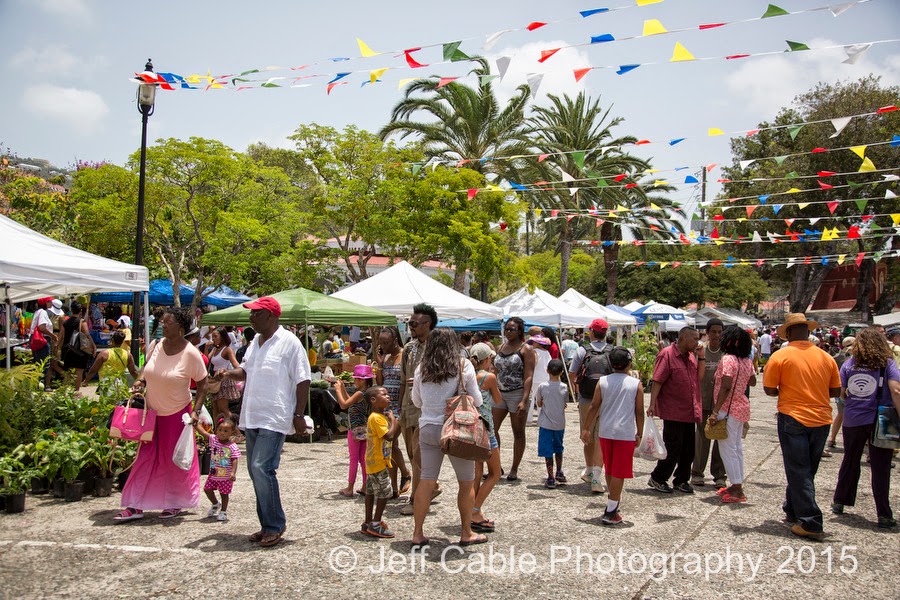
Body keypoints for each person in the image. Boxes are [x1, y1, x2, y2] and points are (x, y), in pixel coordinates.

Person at [216, 296, 311, 548]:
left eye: (255, 314)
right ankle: (266, 523)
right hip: (253, 414)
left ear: (271, 316)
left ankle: (274, 525)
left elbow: (303, 380)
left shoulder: (290, 343)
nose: (250, 318)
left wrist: (299, 415)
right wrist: (227, 372)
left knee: (262, 467)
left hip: (275, 415)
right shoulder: (255, 343)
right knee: (255, 472)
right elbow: (245, 371)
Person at [114, 307, 209, 522]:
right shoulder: (156, 345)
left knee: (174, 461)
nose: (163, 325)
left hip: (178, 414)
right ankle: (134, 505)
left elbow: (203, 384)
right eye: (163, 321)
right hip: (152, 413)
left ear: (181, 328)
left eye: (168, 322)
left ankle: (174, 502)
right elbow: (146, 369)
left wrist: (195, 412)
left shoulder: (191, 353)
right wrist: (140, 382)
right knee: (144, 459)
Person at [763, 313, 841, 541]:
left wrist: (788, 392)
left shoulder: (781, 356)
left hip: (793, 416)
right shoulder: (826, 357)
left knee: (798, 469)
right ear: (808, 331)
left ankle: (811, 521)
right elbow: (836, 391)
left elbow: (769, 389)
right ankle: (792, 508)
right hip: (821, 418)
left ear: (788, 333)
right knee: (807, 469)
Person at [410, 328, 485, 549]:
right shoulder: (464, 365)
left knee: (427, 480)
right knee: (466, 481)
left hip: (428, 428)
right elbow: (477, 400)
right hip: (457, 429)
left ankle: (418, 533)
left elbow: (416, 401)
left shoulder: (422, 368)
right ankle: (466, 532)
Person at [832, 327, 900, 529]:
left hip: (854, 418)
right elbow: (896, 389)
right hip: (882, 418)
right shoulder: (887, 364)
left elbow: (842, 393)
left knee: (850, 460)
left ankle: (840, 501)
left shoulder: (849, 365)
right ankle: (883, 513)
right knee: (881, 466)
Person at [581, 347, 644, 525]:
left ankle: (613, 500)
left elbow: (594, 406)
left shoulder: (603, 381)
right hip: (624, 433)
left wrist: (586, 428)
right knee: (619, 471)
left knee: (610, 468)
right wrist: (639, 431)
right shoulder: (635, 384)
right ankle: (610, 510)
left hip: (605, 431)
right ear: (629, 363)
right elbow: (639, 412)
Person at [647, 327, 704, 495]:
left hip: (689, 411)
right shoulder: (667, 354)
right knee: (673, 448)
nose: (697, 342)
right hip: (673, 411)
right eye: (694, 339)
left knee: (688, 449)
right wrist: (651, 405)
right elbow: (657, 380)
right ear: (683, 338)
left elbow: (698, 378)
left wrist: (701, 358)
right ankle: (658, 477)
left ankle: (681, 479)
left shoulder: (691, 357)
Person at [398, 303, 440, 516]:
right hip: (408, 407)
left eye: (414, 323)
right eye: (410, 322)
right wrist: (399, 409)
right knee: (412, 454)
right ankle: (432, 486)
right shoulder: (409, 348)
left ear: (428, 324)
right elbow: (404, 381)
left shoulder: (440, 348)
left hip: (427, 409)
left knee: (417, 456)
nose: (411, 326)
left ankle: (415, 499)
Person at [708, 327, 757, 503]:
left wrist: (715, 411)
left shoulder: (727, 359)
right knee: (736, 448)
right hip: (741, 407)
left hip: (727, 409)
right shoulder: (746, 361)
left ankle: (737, 489)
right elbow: (752, 381)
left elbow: (726, 385)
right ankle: (736, 483)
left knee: (727, 449)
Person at [569, 318, 613, 493]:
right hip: (607, 398)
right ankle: (596, 477)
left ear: (592, 332)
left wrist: (578, 390)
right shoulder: (612, 351)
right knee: (600, 438)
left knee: (587, 435)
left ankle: (589, 470)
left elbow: (573, 373)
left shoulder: (582, 350)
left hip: (587, 398)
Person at [491, 316, 536, 482]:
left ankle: (514, 469)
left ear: (520, 331)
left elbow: (529, 375)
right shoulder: (500, 347)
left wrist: (524, 400)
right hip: (499, 393)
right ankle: (496, 466)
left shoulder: (526, 349)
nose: (508, 332)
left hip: (517, 393)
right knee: (492, 430)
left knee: (518, 432)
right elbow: (494, 370)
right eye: (507, 329)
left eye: (512, 329)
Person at [376, 326, 411, 498]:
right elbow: (380, 383)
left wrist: (401, 404)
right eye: (381, 342)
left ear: (395, 340)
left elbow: (404, 381)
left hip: (399, 405)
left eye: (386, 342)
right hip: (386, 406)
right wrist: (380, 365)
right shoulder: (387, 357)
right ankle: (394, 488)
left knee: (391, 443)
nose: (383, 345)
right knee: (390, 447)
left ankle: (406, 473)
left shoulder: (405, 354)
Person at [361, 386, 400, 538]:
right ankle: (376, 524)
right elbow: (389, 436)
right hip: (378, 462)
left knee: (370, 491)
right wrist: (394, 421)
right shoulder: (376, 418)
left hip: (373, 462)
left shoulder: (378, 417)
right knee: (384, 493)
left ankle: (367, 522)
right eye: (384, 394)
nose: (388, 396)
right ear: (373, 400)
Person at [470, 342, 501, 534]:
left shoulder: (467, 377)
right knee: (495, 473)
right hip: (487, 430)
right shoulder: (488, 377)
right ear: (488, 358)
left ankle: (473, 510)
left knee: (475, 474)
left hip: (472, 430)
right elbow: (498, 400)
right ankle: (474, 510)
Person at [692, 319, 727, 489]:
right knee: (701, 439)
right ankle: (697, 473)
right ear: (707, 332)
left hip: (720, 404)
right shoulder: (700, 351)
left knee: (720, 439)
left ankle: (719, 475)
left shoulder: (726, 354)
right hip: (702, 400)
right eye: (713, 332)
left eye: (719, 332)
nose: (716, 335)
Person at [334, 364, 374, 497]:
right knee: (363, 459)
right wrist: (344, 389)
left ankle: (350, 487)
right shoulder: (367, 392)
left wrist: (338, 390)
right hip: (365, 429)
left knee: (353, 458)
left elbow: (343, 405)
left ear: (362, 380)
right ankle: (365, 486)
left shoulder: (359, 393)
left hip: (355, 429)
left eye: (356, 379)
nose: (354, 381)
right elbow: (349, 401)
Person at [194, 414, 241, 522]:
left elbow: (234, 460)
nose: (222, 433)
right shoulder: (214, 440)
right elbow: (204, 433)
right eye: (220, 430)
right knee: (207, 489)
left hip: (226, 476)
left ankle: (223, 511)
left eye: (225, 431)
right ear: (216, 430)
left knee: (224, 494)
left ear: (232, 432)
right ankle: (215, 504)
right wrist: (196, 424)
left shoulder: (232, 446)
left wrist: (233, 473)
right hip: (213, 474)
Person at [536, 359, 568, 489]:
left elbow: (539, 403)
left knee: (547, 450)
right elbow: (565, 403)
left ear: (547, 370)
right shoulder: (564, 387)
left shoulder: (542, 386)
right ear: (561, 372)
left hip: (546, 423)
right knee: (559, 447)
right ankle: (559, 471)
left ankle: (550, 477)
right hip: (560, 423)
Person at [206, 327, 242, 420]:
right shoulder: (215, 349)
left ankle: (236, 431)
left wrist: (241, 373)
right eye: (212, 337)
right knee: (215, 408)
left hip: (224, 380)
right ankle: (217, 430)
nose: (213, 339)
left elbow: (235, 364)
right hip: (215, 381)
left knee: (223, 409)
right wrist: (206, 348)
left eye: (215, 336)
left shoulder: (227, 349)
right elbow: (206, 360)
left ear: (222, 337)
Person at [827, 337, 855, 449]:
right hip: (849, 390)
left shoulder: (838, 356)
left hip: (839, 388)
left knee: (840, 414)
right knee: (847, 416)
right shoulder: (852, 357)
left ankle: (832, 439)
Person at [61, 302, 94, 390]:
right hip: (79, 349)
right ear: (80, 311)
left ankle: (65, 391)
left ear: (71, 310)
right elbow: (87, 334)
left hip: (67, 349)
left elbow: (62, 336)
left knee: (67, 372)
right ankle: (76, 391)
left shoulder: (66, 322)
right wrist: (93, 346)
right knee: (79, 371)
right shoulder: (81, 321)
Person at [30, 297, 57, 389]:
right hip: (42, 340)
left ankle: (38, 385)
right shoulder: (43, 312)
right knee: (44, 364)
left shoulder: (38, 312)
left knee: (38, 363)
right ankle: (40, 386)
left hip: (37, 340)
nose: (51, 303)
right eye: (49, 301)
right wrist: (52, 335)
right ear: (45, 302)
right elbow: (42, 327)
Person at [526, 332, 552, 426]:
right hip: (545, 377)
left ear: (537, 343)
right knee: (541, 399)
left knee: (531, 398)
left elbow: (534, 363)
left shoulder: (534, 352)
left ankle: (528, 419)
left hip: (535, 377)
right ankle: (542, 419)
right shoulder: (547, 352)